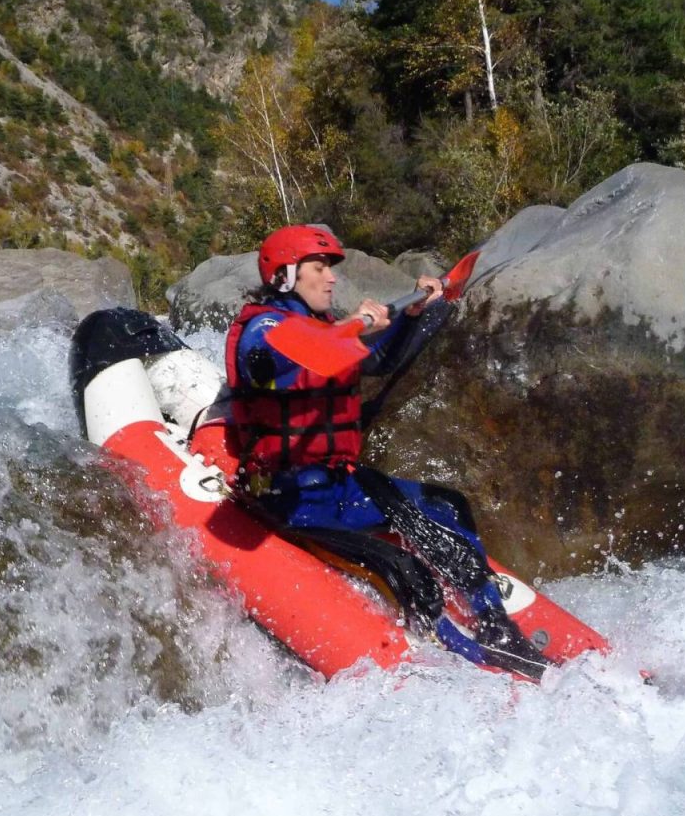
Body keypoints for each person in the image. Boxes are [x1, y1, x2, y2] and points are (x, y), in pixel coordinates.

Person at [224, 224, 547, 674]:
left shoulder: (319, 327)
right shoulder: (265, 327)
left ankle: (498, 630)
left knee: (449, 505)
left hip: (338, 486)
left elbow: (377, 361)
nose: (332, 277)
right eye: (319, 268)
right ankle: (476, 664)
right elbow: (270, 361)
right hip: (291, 501)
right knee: (403, 571)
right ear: (286, 276)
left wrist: (414, 314)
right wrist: (351, 327)